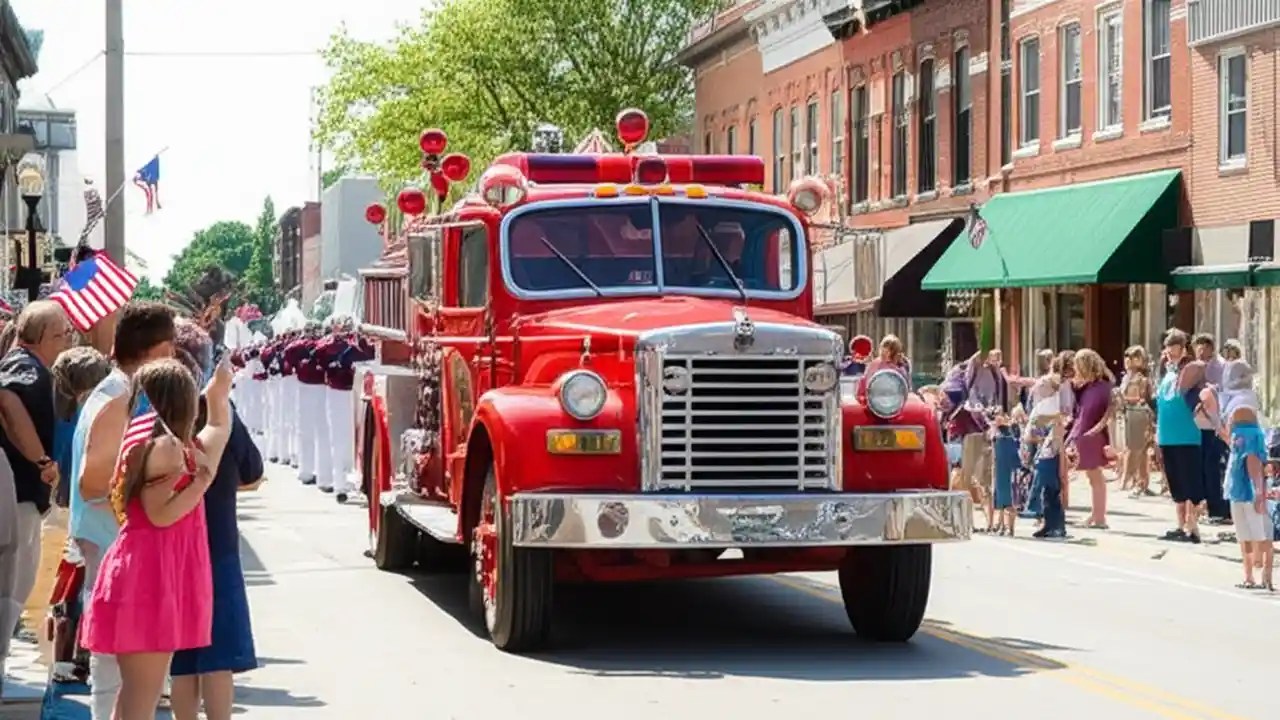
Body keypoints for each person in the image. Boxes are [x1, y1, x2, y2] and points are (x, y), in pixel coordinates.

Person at [80, 357, 234, 720]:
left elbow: (218, 427)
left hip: (148, 570)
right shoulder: (164, 447)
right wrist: (201, 483)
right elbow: (160, 512)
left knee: (136, 695)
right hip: (148, 574)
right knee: (141, 697)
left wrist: (219, 395)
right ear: (180, 400)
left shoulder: (166, 444)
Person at [69, 302, 175, 719]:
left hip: (112, 542)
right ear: (154, 350)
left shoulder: (119, 392)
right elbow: (93, 482)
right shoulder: (118, 398)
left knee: (120, 666)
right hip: (112, 542)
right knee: (116, 664)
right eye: (170, 349)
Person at [169, 323, 263, 720]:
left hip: (168, 548)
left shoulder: (153, 411)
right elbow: (254, 473)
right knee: (217, 656)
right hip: (217, 546)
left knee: (182, 660)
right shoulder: (220, 411)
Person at [0, 301, 72, 678]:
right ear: (40, 336)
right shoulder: (25, 369)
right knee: (14, 578)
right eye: (60, 334)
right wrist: (41, 459)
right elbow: (8, 399)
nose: (65, 341)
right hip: (18, 491)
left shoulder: (22, 364)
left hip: (19, 489)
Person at [1201, 361, 1273, 590]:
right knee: (1244, 532)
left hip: (1247, 487)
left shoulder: (1246, 428)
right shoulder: (1243, 424)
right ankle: (1251, 575)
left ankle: (1260, 575)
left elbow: (1251, 459)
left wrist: (1259, 491)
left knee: (1254, 532)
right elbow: (1231, 443)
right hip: (1240, 484)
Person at [1156, 330, 1205, 544]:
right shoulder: (1166, 372)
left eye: (1175, 349)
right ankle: (1180, 524)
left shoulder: (1190, 370)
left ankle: (1193, 526)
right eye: (1168, 349)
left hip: (1187, 435)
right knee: (1175, 482)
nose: (1171, 354)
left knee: (1190, 481)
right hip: (1167, 435)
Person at [1067, 349, 1116, 529]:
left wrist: (1095, 431)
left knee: (1095, 476)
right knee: (1092, 477)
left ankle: (1099, 517)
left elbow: (1107, 414)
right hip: (1086, 434)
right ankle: (1096, 515)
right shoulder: (1090, 387)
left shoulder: (1103, 387)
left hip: (1093, 435)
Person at [1192, 333, 1232, 524]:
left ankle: (1220, 509)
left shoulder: (1220, 366)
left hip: (1216, 425)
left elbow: (1223, 391)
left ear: (1211, 348)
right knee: (1202, 468)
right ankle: (1209, 506)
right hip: (1200, 425)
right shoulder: (1195, 366)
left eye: (1204, 347)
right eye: (1197, 347)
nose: (1200, 351)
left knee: (1214, 467)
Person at [289, 323, 330, 489]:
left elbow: (288, 356)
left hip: (307, 387)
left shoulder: (297, 347)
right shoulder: (322, 346)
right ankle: (321, 475)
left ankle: (307, 471)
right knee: (321, 432)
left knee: (307, 431)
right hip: (318, 388)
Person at [1119, 346, 1155, 497]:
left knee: (1136, 450)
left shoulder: (1141, 378)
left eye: (1134, 357)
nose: (1129, 360)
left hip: (1139, 414)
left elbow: (1142, 399)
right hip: (1128, 414)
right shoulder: (1126, 377)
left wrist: (1122, 399)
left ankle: (1131, 480)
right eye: (1127, 356)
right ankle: (1140, 481)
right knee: (1135, 449)